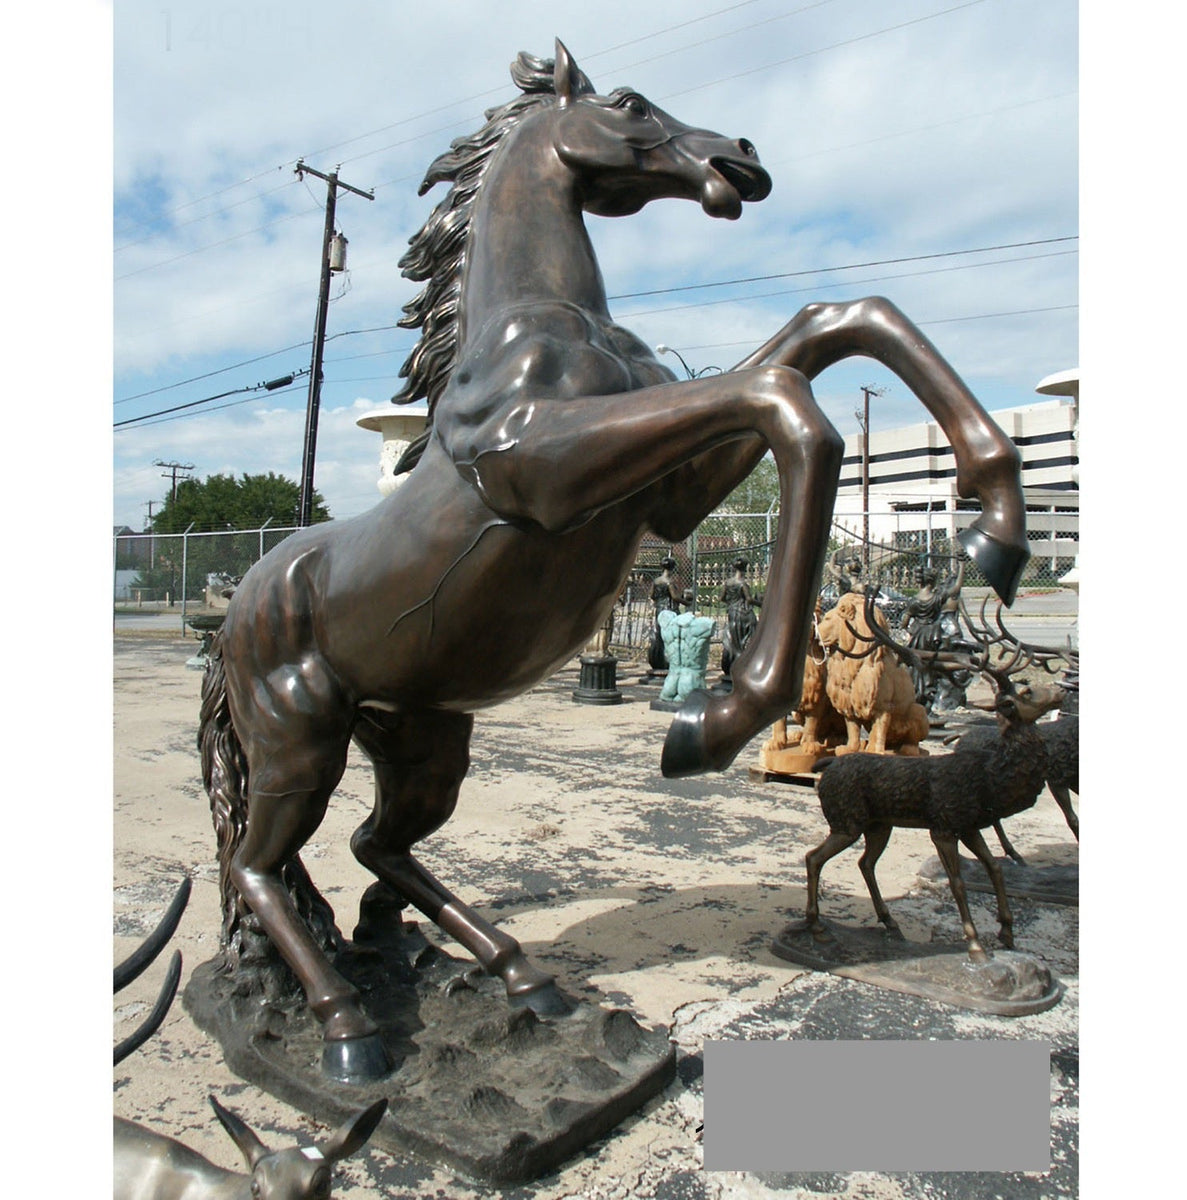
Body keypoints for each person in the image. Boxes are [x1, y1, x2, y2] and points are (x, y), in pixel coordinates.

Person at [720, 558, 761, 679]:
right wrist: (762, 604)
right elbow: (749, 599)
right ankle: (744, 661)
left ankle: (733, 662)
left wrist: (731, 603)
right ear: (745, 569)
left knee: (734, 638)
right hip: (744, 613)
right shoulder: (742, 584)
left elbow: (722, 598)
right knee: (749, 635)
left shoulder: (728, 583)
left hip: (732, 612)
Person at [647, 557, 681, 672]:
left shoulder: (656, 581)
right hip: (669, 610)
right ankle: (667, 660)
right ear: (673, 568)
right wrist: (687, 601)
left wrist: (659, 600)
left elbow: (651, 594)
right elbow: (675, 597)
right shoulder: (669, 582)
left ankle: (658, 658)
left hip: (659, 610)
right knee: (670, 637)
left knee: (659, 635)